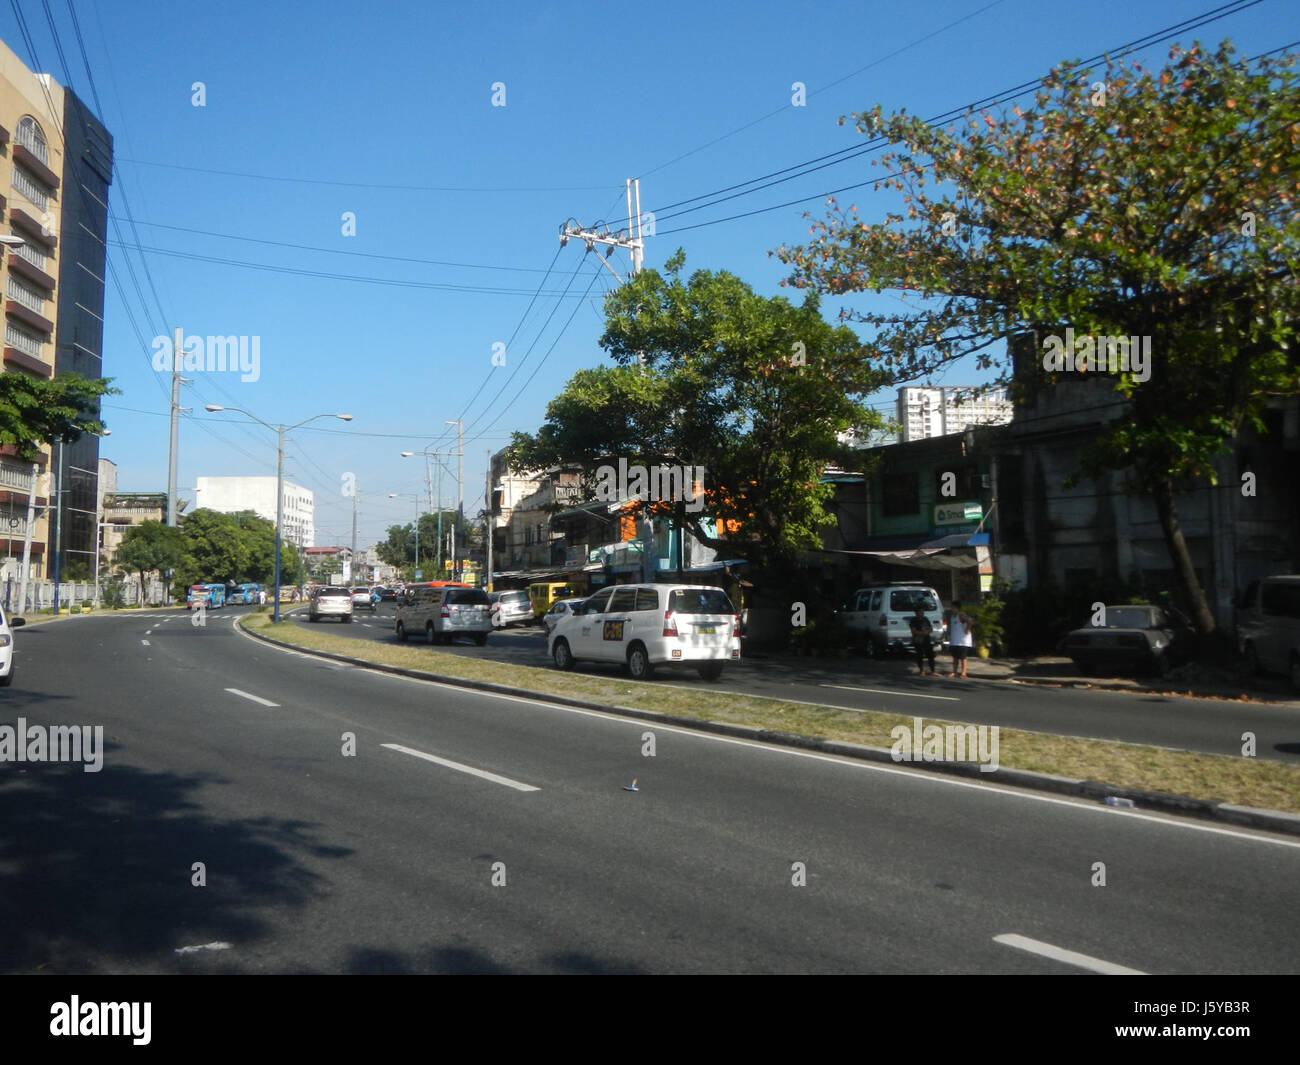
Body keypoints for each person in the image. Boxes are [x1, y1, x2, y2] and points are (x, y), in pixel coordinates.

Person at [947, 599, 973, 678]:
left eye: (953, 607)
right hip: (955, 641)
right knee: (955, 657)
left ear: (957, 608)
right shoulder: (952, 617)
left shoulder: (961, 615)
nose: (951, 609)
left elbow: (970, 621)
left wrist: (967, 629)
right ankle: (954, 672)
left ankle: (963, 673)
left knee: (963, 657)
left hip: (962, 641)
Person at [908, 605, 936, 676]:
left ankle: (933, 671)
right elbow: (913, 631)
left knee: (931, 655)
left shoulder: (925, 619)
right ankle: (922, 671)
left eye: (923, 611)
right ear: (916, 612)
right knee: (920, 655)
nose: (922, 612)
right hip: (918, 640)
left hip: (927, 639)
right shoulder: (914, 620)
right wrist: (922, 633)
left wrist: (928, 631)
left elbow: (931, 628)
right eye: (920, 611)